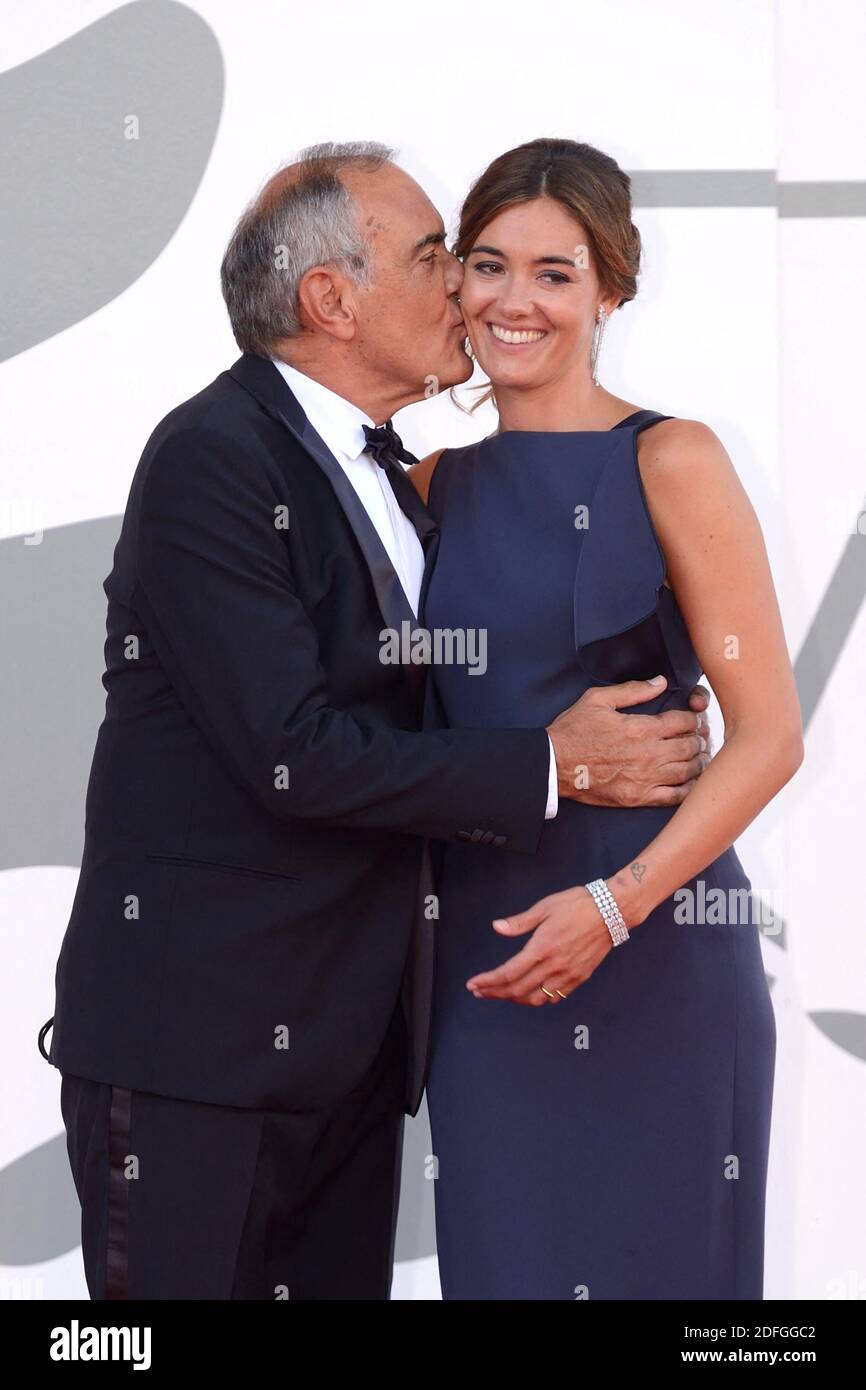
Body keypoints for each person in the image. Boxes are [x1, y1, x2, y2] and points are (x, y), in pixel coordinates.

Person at [39, 141, 713, 1301]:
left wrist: (646, 705)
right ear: (329, 299)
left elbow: (462, 683)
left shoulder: (403, 477)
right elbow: (292, 755)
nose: (461, 286)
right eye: (433, 257)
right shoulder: (212, 457)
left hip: (354, 1056)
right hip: (200, 1063)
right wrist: (554, 765)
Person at [410, 137, 804, 1300]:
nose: (513, 301)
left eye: (554, 272)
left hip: (658, 948)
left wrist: (610, 906)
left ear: (610, 291)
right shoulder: (431, 487)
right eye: (487, 266)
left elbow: (770, 732)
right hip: (487, 969)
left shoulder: (670, 458)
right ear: (453, 283)